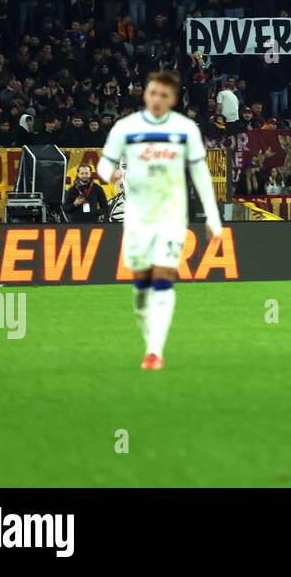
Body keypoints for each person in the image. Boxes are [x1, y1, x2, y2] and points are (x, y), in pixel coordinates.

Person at [96, 70, 223, 370]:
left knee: (164, 278)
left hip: (171, 214)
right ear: (145, 94)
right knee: (142, 291)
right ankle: (147, 327)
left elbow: (200, 174)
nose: (157, 99)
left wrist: (212, 215)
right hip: (138, 216)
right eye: (153, 93)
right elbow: (103, 164)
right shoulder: (126, 127)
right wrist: (110, 174)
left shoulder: (186, 129)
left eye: (164, 95)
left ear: (173, 99)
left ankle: (155, 350)